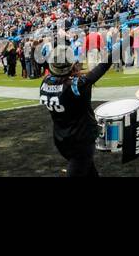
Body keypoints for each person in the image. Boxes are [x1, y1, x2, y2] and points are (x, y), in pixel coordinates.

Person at [38, 39, 112, 177]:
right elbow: (104, 65)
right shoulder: (76, 86)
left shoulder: (45, 82)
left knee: (88, 170)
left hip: (61, 139)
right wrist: (130, 39)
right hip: (81, 141)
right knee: (80, 168)